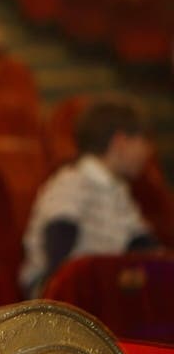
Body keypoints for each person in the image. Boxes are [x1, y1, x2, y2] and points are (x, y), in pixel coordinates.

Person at [19, 97, 161, 298]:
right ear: (120, 142)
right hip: (59, 292)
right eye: (144, 141)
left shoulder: (118, 189)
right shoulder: (72, 180)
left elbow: (140, 242)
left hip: (98, 284)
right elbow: (59, 237)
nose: (148, 151)